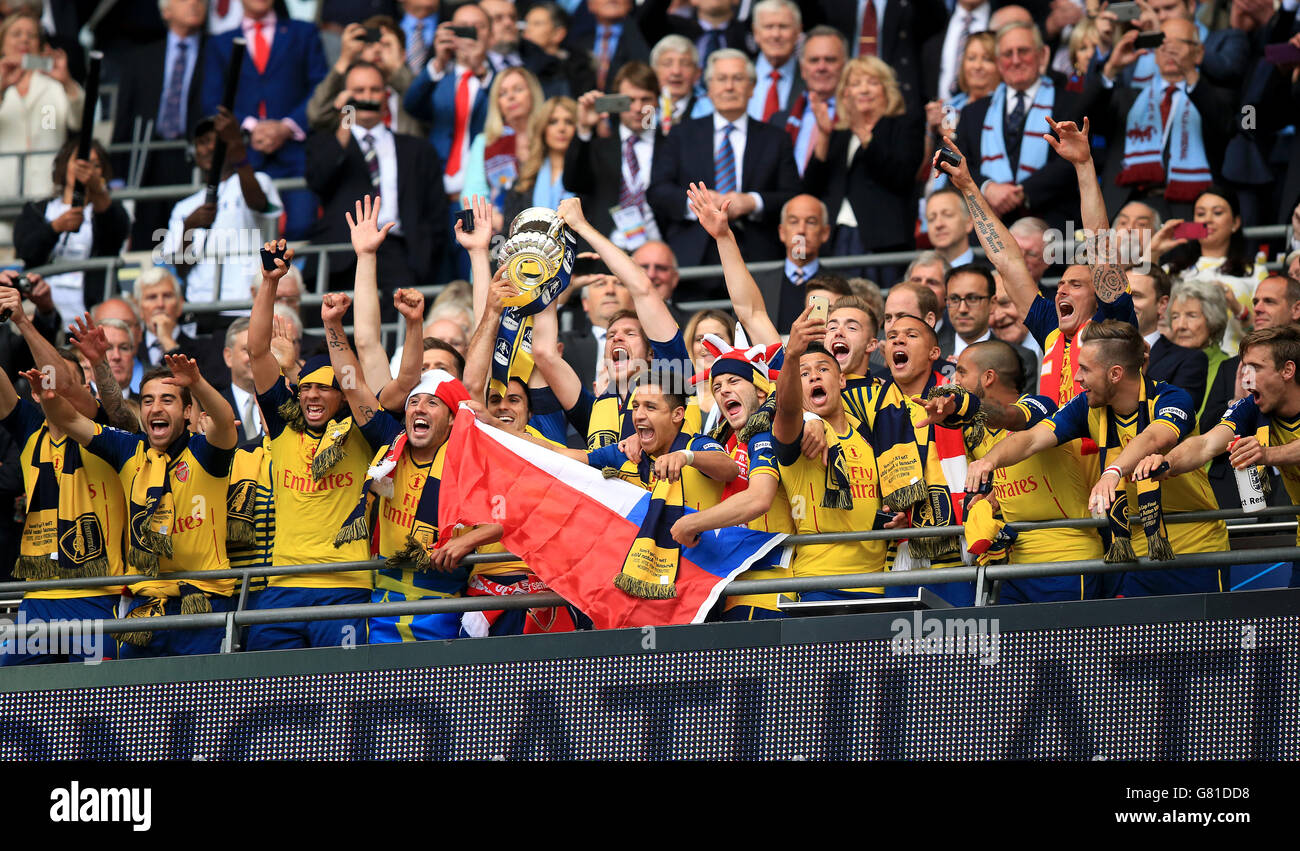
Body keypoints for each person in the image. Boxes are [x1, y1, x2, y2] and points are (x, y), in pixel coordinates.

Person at [968, 320, 1228, 597]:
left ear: (1115, 373)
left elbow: (1155, 438)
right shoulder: (1085, 406)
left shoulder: (1171, 397)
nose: (1077, 378)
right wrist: (990, 461)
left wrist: (1113, 471)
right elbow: (1031, 438)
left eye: (1085, 369)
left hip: (1197, 546)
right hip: (1134, 549)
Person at [240, 236, 396, 650]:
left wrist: (332, 326)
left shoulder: (362, 435)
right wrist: (270, 282)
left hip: (345, 588)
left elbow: (354, 381)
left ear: (341, 399)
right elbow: (257, 353)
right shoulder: (284, 427)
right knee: (270, 699)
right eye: (305, 388)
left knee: (340, 699)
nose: (311, 395)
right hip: (283, 589)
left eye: (323, 390)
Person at [41, 355, 240, 656]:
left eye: (167, 400)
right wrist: (47, 394)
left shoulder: (206, 451)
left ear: (188, 411)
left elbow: (224, 420)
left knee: (203, 702)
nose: (155, 408)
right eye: (147, 401)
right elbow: (69, 420)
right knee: (136, 702)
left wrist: (197, 382)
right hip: (145, 605)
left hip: (204, 602)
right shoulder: (128, 450)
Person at [0, 286, 126, 664]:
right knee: (14, 704)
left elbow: (64, 384)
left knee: (95, 715)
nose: (47, 384)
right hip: (38, 596)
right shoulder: (28, 431)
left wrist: (23, 319)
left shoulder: (101, 432)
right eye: (39, 382)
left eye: (53, 378)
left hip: (93, 594)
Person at [935, 339, 1104, 602]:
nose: (954, 380)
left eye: (962, 372)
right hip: (1013, 566)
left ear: (988, 377)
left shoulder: (1041, 406)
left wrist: (965, 409)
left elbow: (1010, 418)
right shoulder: (979, 431)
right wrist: (990, 501)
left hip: (1066, 560)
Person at [1140, 325, 1300, 588]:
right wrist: (1166, 463)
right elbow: (1205, 444)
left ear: (1288, 370)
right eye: (1244, 368)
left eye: (1256, 368)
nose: (1246, 379)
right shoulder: (1252, 407)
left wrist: (1269, 454)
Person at [648, 49, 800, 291]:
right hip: (694, 257)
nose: (729, 87)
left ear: (752, 88)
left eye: (738, 79)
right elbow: (658, 191)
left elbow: (792, 196)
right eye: (721, 79)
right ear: (708, 89)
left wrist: (752, 202)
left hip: (756, 255)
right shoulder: (681, 134)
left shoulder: (776, 139)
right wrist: (700, 204)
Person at [669, 337, 794, 619]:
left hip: (765, 589)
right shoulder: (723, 444)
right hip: (725, 587)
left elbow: (760, 498)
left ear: (762, 392)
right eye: (717, 386)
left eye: (734, 381)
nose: (724, 390)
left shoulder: (770, 433)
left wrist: (693, 524)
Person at [772, 305, 888, 600]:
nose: (814, 378)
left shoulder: (867, 433)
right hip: (819, 585)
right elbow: (785, 409)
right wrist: (791, 355)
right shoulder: (799, 435)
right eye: (804, 374)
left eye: (823, 370)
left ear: (841, 380)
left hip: (876, 586)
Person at [305, 60, 447, 296]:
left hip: (399, 253)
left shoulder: (417, 150)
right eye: (358, 91)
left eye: (374, 90)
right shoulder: (327, 141)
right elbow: (319, 179)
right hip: (342, 256)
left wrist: (425, 255)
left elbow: (436, 212)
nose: (367, 97)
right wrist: (345, 119)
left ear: (386, 95)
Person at [953, 20, 1108, 233]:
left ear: (1042, 55)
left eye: (1023, 51)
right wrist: (988, 188)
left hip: (1053, 229)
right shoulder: (973, 112)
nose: (1016, 61)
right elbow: (962, 162)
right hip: (990, 229)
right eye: (1008, 54)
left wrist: (1022, 193)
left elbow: (1072, 161)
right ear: (999, 62)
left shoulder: (1071, 102)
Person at [201, 0, 329, 240]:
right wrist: (250, 127)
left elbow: (320, 89)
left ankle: (294, 278)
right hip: (244, 152)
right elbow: (212, 101)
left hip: (296, 153)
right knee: (241, 234)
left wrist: (287, 126)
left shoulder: (303, 32)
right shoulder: (219, 43)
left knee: (302, 227)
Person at [1099, 21, 1237, 219]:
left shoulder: (1218, 96)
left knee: (1184, 244)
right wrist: (1111, 68)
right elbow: (1078, 117)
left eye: (1179, 43)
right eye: (1162, 44)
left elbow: (1229, 125)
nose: (1169, 50)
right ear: (1154, 54)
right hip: (1127, 207)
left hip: (1190, 212)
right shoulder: (1127, 98)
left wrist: (1190, 74)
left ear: (1198, 53)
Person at [802, 54, 922, 278]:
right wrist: (824, 136)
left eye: (872, 82)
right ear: (845, 94)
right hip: (837, 238)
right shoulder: (839, 134)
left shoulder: (903, 126)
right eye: (856, 84)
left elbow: (902, 177)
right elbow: (810, 188)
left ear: (887, 90)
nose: (864, 90)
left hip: (882, 241)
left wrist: (865, 135)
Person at [110, 0, 209, 250]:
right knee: (148, 240)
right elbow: (124, 121)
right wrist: (117, 176)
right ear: (165, 10)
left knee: (191, 242)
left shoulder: (217, 53)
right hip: (149, 158)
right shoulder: (140, 59)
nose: (195, 4)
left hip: (195, 156)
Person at [165, 109, 280, 305]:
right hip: (201, 304)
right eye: (202, 142)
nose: (209, 148)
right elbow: (181, 268)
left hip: (247, 302)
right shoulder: (184, 208)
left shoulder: (258, 181)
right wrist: (189, 226)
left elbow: (258, 202)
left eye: (215, 140)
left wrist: (239, 155)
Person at [12, 138, 130, 324]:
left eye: (95, 165)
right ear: (64, 164)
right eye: (80, 161)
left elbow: (115, 235)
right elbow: (26, 249)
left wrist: (97, 190)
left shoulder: (109, 210)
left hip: (90, 315)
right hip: (41, 312)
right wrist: (55, 228)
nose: (86, 168)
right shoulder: (38, 210)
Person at [0, 11, 84, 248]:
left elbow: (80, 121)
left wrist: (67, 81)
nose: (24, 40)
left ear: (41, 43)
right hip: (2, 195)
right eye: (17, 34)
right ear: (3, 40)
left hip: (45, 194)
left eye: (32, 35)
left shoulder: (53, 85)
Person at [562, 63, 663, 248]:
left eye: (645, 99)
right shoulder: (599, 146)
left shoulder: (671, 144)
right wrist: (584, 129)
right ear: (615, 101)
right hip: (606, 249)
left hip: (658, 250)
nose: (638, 107)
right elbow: (573, 182)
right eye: (629, 100)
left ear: (657, 100)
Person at [1163, 185, 1269, 353]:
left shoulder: (1255, 272)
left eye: (1217, 213)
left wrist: (1237, 307)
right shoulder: (1172, 270)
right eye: (1200, 214)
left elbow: (1268, 334)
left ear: (1235, 223)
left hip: (1233, 363)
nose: (1208, 220)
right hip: (1178, 363)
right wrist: (1155, 251)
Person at [800, 0, 948, 113]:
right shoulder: (833, 4)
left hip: (899, 105)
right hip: (843, 103)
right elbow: (809, 22)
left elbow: (936, 24)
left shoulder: (911, 5)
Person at [307, 16, 426, 137]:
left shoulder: (410, 91)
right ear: (359, 53)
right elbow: (317, 116)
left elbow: (422, 108)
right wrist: (344, 60)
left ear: (402, 54)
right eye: (369, 44)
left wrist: (397, 69)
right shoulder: (351, 93)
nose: (377, 49)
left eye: (386, 45)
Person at [462, 65, 544, 222]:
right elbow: (473, 194)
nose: (510, 97)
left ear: (532, 94)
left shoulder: (547, 135)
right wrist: (494, 219)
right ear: (497, 103)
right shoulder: (485, 142)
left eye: (518, 90)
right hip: (500, 230)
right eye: (503, 93)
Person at [944, 263, 1037, 388]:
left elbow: (1020, 407)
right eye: (954, 299)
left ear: (992, 303)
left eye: (972, 298)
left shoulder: (1021, 358)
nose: (962, 309)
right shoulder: (930, 353)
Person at [750, 194, 832, 334]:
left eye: (811, 222)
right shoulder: (756, 287)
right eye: (794, 221)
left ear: (825, 232)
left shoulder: (842, 287)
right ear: (782, 232)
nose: (801, 230)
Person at [1131, 266, 1208, 407]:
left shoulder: (1189, 361)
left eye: (1136, 295)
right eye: (1120, 296)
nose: (1125, 302)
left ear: (1162, 304)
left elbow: (1178, 411)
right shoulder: (1093, 348)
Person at [776, 25, 845, 177]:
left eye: (830, 60)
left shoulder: (856, 117)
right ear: (803, 69)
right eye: (814, 60)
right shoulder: (779, 120)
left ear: (845, 66)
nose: (821, 67)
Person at [502, 95, 578, 227]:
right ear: (543, 129)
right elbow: (508, 231)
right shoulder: (525, 179)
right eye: (553, 122)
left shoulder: (587, 178)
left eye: (569, 122)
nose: (561, 128)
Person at [1167, 278, 1233, 420]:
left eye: (1191, 315)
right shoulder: (1161, 362)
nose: (1181, 325)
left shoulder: (1230, 370)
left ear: (1213, 320)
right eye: (1175, 317)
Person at [519, 1, 597, 99]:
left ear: (558, 34)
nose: (527, 29)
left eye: (537, 24)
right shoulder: (517, 61)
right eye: (527, 23)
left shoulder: (578, 68)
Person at [576, 0, 652, 92]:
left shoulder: (644, 32)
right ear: (589, 4)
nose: (612, 0)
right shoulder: (577, 42)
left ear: (631, 3)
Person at [747, 0, 803, 124]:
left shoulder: (809, 78)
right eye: (768, 27)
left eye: (783, 27)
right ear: (756, 32)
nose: (776, 35)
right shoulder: (739, 74)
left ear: (798, 31)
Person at [683, 307, 736, 434]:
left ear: (732, 342)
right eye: (699, 339)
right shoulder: (678, 393)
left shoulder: (743, 392)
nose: (707, 345)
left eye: (716, 338)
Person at [651, 34, 714, 133]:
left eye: (685, 64)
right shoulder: (642, 106)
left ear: (697, 73)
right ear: (654, 72)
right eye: (667, 64)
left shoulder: (712, 108)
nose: (676, 71)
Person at [924, 187, 974, 268]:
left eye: (948, 215)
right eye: (931, 218)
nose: (938, 224)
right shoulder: (915, 278)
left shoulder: (995, 276)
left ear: (969, 223)